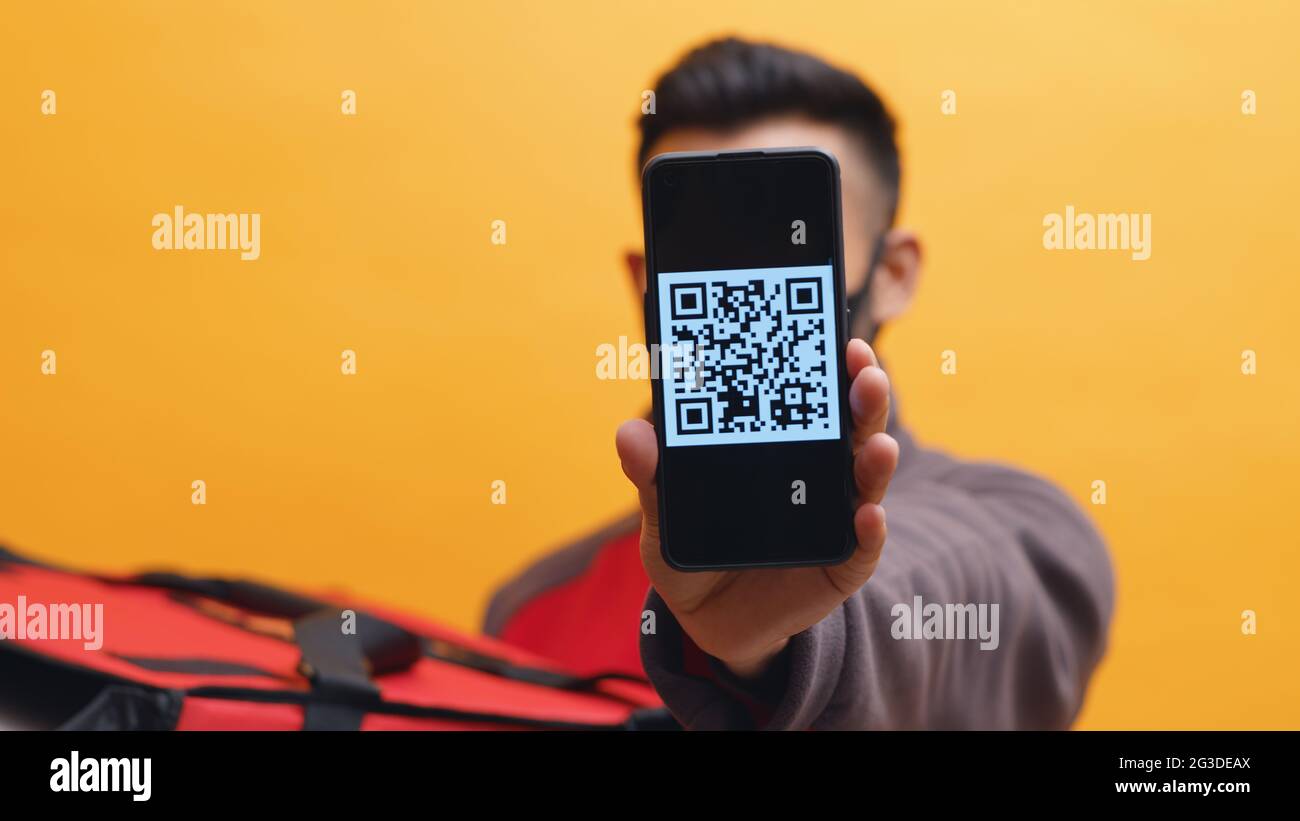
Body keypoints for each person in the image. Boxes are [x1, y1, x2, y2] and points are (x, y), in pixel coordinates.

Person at [483, 36, 1114, 730]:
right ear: (646, 286)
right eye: (714, 247)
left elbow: (950, 585)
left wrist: (792, 639)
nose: (750, 294)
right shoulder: (531, 609)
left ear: (895, 271)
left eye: (793, 239)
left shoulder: (1034, 537)